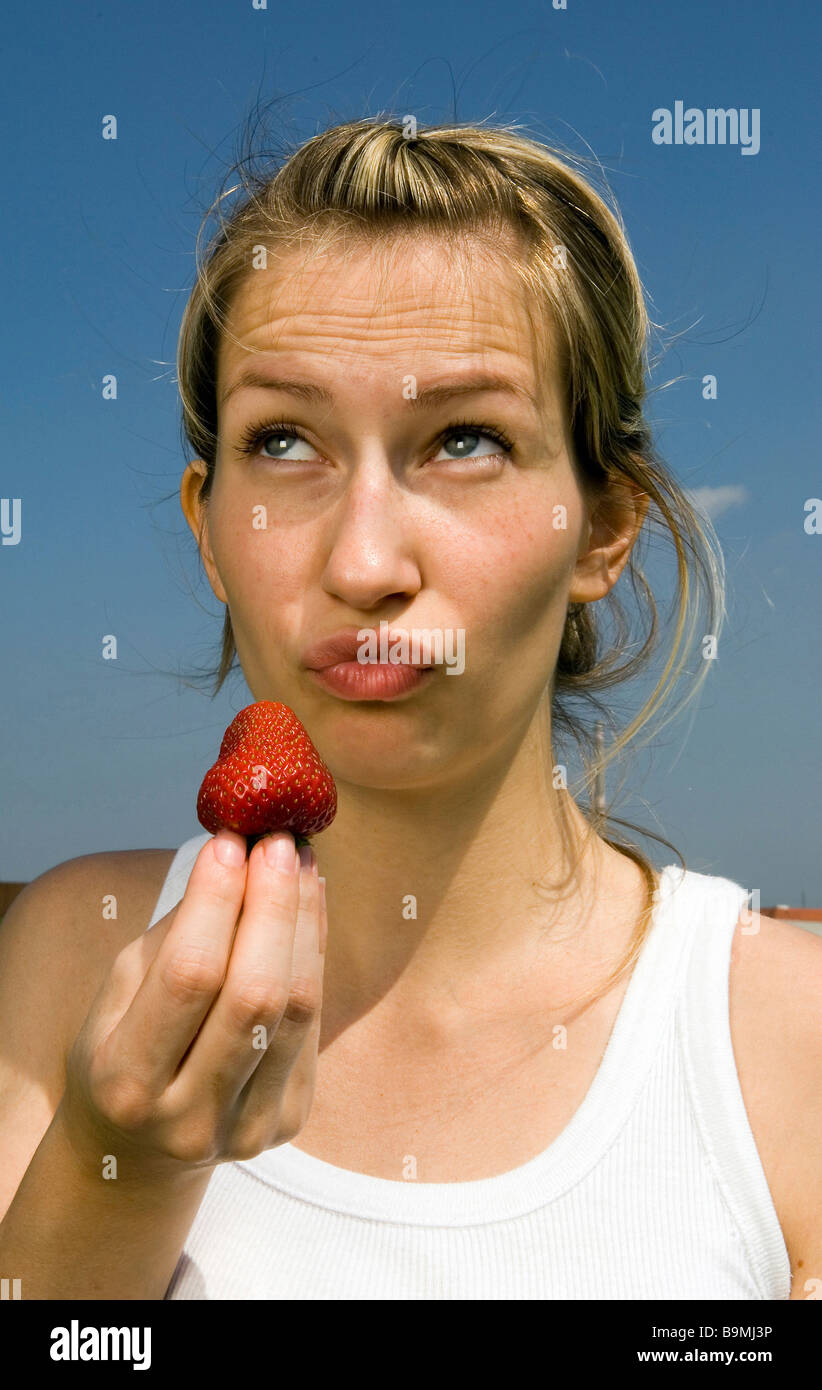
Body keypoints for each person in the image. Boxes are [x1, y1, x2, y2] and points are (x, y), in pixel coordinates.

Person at [0, 116, 819, 1301]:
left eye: (464, 439)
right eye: (284, 441)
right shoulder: (76, 955)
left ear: (602, 526)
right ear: (208, 527)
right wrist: (113, 1165)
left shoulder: (785, 1047)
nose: (366, 559)